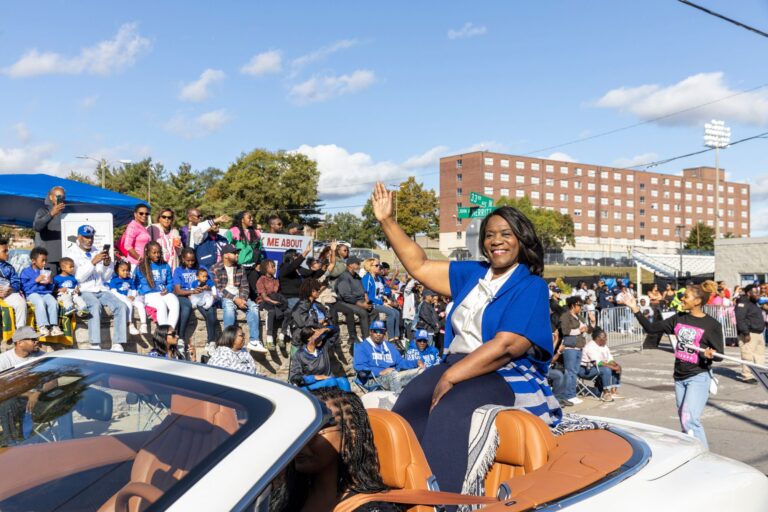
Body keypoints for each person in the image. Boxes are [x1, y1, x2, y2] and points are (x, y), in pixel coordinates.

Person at [369, 182, 559, 494]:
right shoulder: (474, 274)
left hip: (500, 369)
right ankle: (398, 491)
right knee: (410, 402)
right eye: (490, 234)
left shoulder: (531, 285)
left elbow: (508, 345)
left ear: (522, 240)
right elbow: (419, 264)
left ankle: (444, 501)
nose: (496, 241)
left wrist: (452, 377)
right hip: (456, 362)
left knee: (450, 409)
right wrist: (387, 221)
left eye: (505, 234)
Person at [625, 282, 723, 448]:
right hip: (679, 377)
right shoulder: (678, 318)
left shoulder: (711, 325)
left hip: (698, 376)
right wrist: (635, 309)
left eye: (686, 297)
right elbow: (651, 328)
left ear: (697, 301)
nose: (682, 299)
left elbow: (719, 355)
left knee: (690, 419)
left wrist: (707, 354)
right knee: (684, 420)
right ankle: (692, 452)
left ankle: (704, 457)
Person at [273, 388, 398, 512]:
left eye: (315, 429)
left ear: (351, 436)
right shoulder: (283, 498)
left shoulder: (373, 508)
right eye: (298, 429)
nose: (301, 440)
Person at [71, 224, 130, 350]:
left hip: (100, 288)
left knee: (121, 306)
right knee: (95, 305)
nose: (89, 240)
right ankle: (95, 344)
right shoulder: (72, 253)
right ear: (79, 237)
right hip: (84, 290)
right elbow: (78, 278)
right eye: (86, 237)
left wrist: (107, 264)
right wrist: (92, 262)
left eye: (91, 237)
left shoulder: (96, 251)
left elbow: (105, 277)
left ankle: (117, 343)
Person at [211, 244, 265, 353]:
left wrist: (242, 299)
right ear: (225, 255)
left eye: (237, 252)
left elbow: (245, 286)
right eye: (234, 253)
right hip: (224, 297)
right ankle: (227, 341)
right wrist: (235, 299)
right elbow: (219, 289)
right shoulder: (215, 268)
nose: (237, 254)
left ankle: (254, 341)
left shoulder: (240, 268)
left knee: (254, 306)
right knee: (229, 306)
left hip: (240, 297)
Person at [173, 248, 219, 355]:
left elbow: (210, 283)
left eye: (192, 260)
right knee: (186, 308)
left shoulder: (201, 268)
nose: (190, 263)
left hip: (201, 295)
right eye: (187, 260)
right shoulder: (178, 270)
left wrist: (204, 289)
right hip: (185, 296)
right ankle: (181, 338)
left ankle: (211, 342)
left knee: (210, 310)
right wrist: (192, 291)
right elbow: (177, 290)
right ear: (183, 259)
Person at [353, 320, 420, 393]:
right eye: (376, 331)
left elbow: (400, 362)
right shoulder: (362, 347)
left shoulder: (389, 346)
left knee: (420, 372)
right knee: (393, 375)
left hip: (393, 375)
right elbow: (359, 367)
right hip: (373, 379)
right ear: (370, 332)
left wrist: (416, 363)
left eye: (381, 332)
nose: (378, 334)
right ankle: (398, 402)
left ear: (384, 333)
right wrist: (380, 372)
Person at [135, 242, 180, 340]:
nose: (157, 255)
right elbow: (137, 284)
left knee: (175, 301)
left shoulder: (165, 265)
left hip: (163, 292)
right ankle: (164, 334)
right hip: (149, 294)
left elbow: (170, 282)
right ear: (148, 253)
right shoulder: (141, 266)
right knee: (161, 305)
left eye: (159, 252)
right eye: (154, 253)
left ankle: (170, 331)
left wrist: (167, 289)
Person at [289, 326, 351, 391]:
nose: (321, 337)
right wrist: (315, 378)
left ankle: (349, 400)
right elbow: (294, 377)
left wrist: (325, 329)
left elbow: (336, 330)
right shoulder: (299, 354)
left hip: (328, 380)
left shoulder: (323, 347)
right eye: (317, 335)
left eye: (320, 335)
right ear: (309, 338)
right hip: (309, 386)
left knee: (343, 381)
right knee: (331, 382)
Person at [21, 247, 62, 337]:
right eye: (42, 260)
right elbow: (24, 287)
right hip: (32, 294)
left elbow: (50, 289)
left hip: (45, 293)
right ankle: (43, 326)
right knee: (40, 301)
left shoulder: (45, 271)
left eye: (45, 260)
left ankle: (54, 326)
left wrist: (50, 282)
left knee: (53, 302)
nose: (44, 263)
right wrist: (36, 280)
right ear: (33, 261)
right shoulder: (26, 272)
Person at [334, 256, 377, 344]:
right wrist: (361, 304)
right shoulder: (344, 276)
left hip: (359, 300)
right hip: (346, 302)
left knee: (374, 311)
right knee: (363, 312)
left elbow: (363, 290)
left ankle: (373, 334)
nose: (359, 264)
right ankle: (366, 338)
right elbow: (346, 296)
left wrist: (366, 301)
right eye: (357, 263)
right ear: (350, 265)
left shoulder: (356, 276)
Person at [290, 279, 339, 353]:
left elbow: (328, 318)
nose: (319, 291)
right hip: (301, 342)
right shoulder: (300, 306)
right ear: (312, 291)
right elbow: (302, 324)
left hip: (317, 341)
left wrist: (326, 323)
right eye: (317, 289)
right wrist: (319, 324)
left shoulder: (318, 305)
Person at [362, 258, 402, 343]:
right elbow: (369, 297)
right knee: (391, 313)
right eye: (376, 265)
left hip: (381, 301)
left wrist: (387, 299)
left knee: (397, 313)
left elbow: (383, 291)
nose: (379, 267)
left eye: (379, 265)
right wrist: (382, 303)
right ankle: (391, 338)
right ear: (370, 267)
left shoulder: (379, 278)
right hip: (374, 304)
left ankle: (396, 337)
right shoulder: (367, 279)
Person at [225, 211, 262, 300]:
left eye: (252, 217)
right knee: (238, 292)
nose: (252, 219)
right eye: (249, 217)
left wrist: (258, 264)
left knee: (252, 293)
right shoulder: (233, 231)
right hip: (238, 268)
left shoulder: (256, 233)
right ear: (242, 219)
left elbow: (258, 250)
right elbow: (228, 248)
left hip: (252, 268)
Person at [559, 296, 589, 405]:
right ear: (573, 305)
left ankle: (572, 394)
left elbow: (586, 330)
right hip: (570, 348)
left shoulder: (579, 317)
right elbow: (565, 331)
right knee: (569, 372)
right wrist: (579, 330)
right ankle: (568, 395)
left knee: (574, 372)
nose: (581, 307)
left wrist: (588, 327)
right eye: (579, 305)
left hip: (579, 347)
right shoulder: (565, 316)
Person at [734, 284, 766, 384]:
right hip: (749, 334)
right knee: (748, 356)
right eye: (755, 292)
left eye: (758, 292)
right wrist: (745, 333)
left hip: (759, 333)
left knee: (759, 356)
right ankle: (747, 376)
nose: (758, 294)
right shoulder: (743, 303)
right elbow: (740, 319)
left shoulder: (754, 303)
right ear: (748, 293)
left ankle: (760, 374)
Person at [581, 327, 622, 401]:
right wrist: (612, 367)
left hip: (597, 368)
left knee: (617, 367)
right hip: (586, 369)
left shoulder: (604, 346)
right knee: (606, 369)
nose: (606, 339)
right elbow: (597, 362)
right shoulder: (590, 346)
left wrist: (615, 365)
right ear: (598, 338)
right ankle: (606, 393)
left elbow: (610, 359)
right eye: (604, 337)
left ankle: (613, 391)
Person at [32, 186, 67, 272]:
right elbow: (37, 227)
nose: (61, 199)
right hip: (48, 259)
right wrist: (51, 214)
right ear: (51, 197)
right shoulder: (43, 211)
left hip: (65, 258)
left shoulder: (67, 213)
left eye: (63, 197)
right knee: (49, 284)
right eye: (58, 196)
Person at [256, 259, 287, 349]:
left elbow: (278, 294)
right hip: (264, 302)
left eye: (275, 266)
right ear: (266, 268)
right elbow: (264, 297)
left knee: (288, 311)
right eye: (272, 266)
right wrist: (274, 302)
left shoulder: (276, 280)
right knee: (272, 311)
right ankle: (269, 340)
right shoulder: (261, 280)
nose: (274, 268)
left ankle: (281, 337)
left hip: (275, 301)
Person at [108, 260, 146, 335]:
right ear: (117, 270)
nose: (126, 272)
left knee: (141, 305)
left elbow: (134, 289)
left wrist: (133, 296)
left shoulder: (130, 280)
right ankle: (130, 324)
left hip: (130, 297)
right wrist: (124, 297)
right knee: (128, 304)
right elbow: (114, 292)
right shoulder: (114, 280)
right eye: (123, 270)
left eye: (127, 270)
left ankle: (143, 324)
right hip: (122, 298)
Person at [0, 238, 27, 328]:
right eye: (5, 251)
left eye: (8, 250)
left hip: (8, 294)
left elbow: (16, 283)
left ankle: (20, 333)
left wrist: (10, 289)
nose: (8, 253)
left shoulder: (9, 267)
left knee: (21, 303)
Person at [279, 245, 313, 311]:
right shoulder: (285, 267)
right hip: (290, 298)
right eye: (296, 255)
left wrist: (323, 267)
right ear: (290, 257)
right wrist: (305, 252)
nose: (298, 256)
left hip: (302, 297)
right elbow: (292, 266)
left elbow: (311, 274)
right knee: (303, 311)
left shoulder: (299, 269)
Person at [121, 203, 152, 268]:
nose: (144, 215)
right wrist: (139, 259)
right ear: (135, 214)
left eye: (147, 214)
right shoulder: (133, 226)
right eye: (141, 213)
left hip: (144, 264)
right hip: (135, 264)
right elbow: (127, 246)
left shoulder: (142, 227)